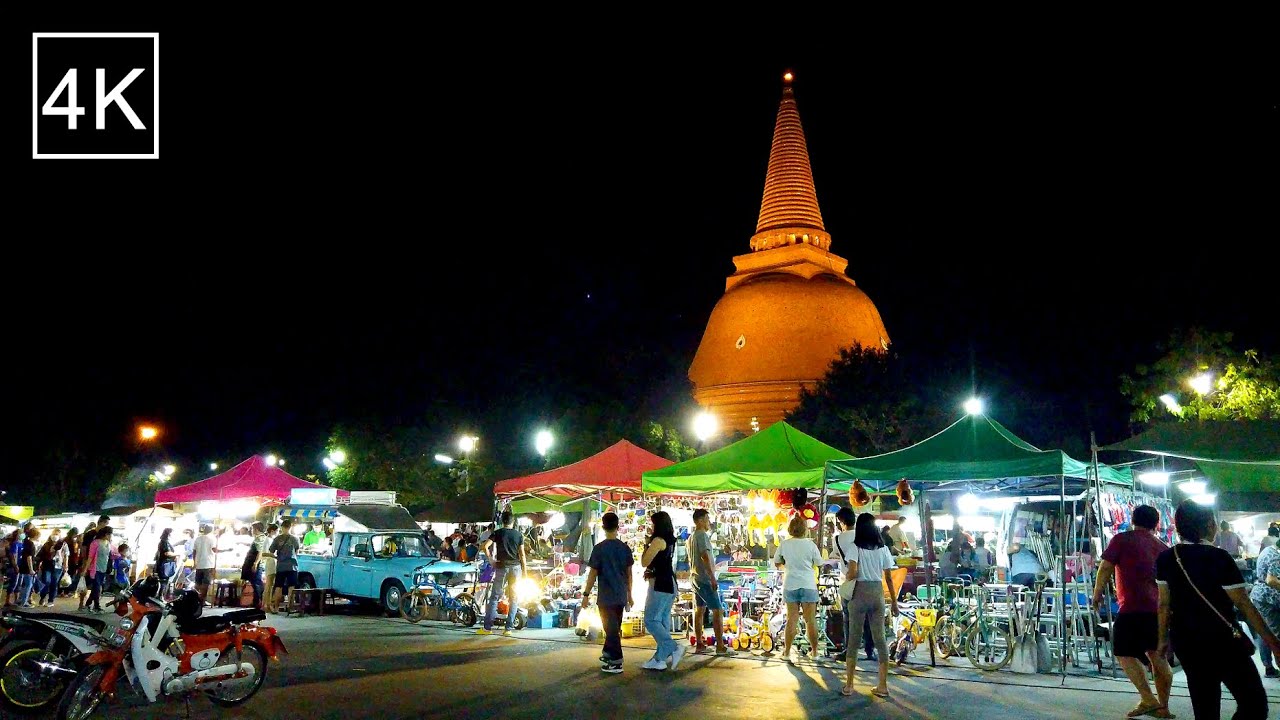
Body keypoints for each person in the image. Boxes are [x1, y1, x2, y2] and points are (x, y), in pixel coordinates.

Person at [1156, 499, 1280, 719]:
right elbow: (1244, 604)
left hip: (1185, 640)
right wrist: (1273, 643)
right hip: (1222, 640)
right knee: (1254, 702)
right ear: (1209, 525)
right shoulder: (1219, 557)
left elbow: (1164, 605)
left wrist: (1162, 641)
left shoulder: (1166, 558)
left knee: (1205, 705)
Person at [1092, 505, 1174, 719]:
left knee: (1123, 652)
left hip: (1131, 607)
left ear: (1132, 519)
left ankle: (1148, 699)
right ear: (1157, 524)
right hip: (1158, 609)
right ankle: (1162, 707)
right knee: (1158, 656)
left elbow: (1106, 567)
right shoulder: (1163, 547)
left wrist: (1098, 592)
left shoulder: (1121, 539)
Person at [839, 512, 898, 699]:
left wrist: (846, 578)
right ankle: (882, 686)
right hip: (877, 594)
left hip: (859, 594)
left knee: (854, 640)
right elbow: (888, 577)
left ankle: (849, 686)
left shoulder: (855, 548)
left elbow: (853, 572)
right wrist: (894, 602)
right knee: (880, 639)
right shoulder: (883, 549)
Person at [582, 511, 634, 674]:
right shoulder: (624, 548)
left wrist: (586, 594)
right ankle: (608, 654)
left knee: (610, 629)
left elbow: (592, 574)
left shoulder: (599, 549)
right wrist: (630, 594)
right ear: (618, 527)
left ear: (603, 527)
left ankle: (616, 661)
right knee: (614, 628)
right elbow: (629, 574)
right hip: (620, 595)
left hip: (605, 596)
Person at [640, 511, 683, 671]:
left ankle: (674, 647)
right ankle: (660, 658)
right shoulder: (671, 540)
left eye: (653, 524)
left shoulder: (658, 541)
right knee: (662, 620)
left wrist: (646, 545)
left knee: (651, 620)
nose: (651, 527)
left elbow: (645, 562)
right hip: (669, 582)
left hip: (660, 584)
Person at [776, 516, 823, 664]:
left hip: (790, 584)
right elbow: (819, 563)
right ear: (805, 528)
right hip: (808, 584)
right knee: (810, 620)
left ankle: (787, 652)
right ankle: (815, 652)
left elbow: (777, 562)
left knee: (791, 619)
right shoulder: (811, 545)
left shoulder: (784, 544)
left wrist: (787, 567)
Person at [688, 509, 734, 656]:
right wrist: (712, 577)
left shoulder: (691, 537)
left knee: (699, 610)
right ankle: (720, 646)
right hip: (704, 579)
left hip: (695, 577)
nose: (709, 522)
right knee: (717, 610)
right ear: (700, 521)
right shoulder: (701, 535)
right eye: (707, 519)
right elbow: (704, 556)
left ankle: (700, 644)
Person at [480, 511, 526, 636]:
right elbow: (522, 554)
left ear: (502, 521)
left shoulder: (498, 533)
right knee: (514, 598)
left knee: (494, 597)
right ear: (513, 521)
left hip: (501, 567)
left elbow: (485, 546)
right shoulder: (518, 535)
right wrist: (525, 571)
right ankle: (508, 629)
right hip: (516, 568)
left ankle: (487, 628)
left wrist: (491, 560)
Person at [1250, 534, 1280, 678]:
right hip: (1268, 599)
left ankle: (1268, 667)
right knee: (1276, 634)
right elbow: (1272, 580)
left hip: (1260, 597)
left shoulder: (1268, 550)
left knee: (1265, 632)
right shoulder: (1275, 556)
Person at [268, 519, 302, 613]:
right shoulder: (295, 539)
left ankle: (276, 608)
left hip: (281, 566)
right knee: (291, 586)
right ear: (290, 527)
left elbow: (271, 551)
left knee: (278, 586)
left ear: (282, 527)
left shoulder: (277, 539)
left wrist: (277, 557)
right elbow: (297, 552)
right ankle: (290, 607)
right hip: (292, 566)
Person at [193, 524, 230, 604]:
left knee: (198, 584)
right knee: (205, 584)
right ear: (211, 530)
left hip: (199, 564)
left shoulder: (197, 538)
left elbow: (194, 551)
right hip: (208, 564)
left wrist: (194, 562)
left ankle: (196, 599)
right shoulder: (212, 538)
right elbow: (214, 550)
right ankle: (202, 600)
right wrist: (226, 550)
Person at [84, 526, 115, 613]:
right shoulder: (95, 543)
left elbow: (113, 554)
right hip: (95, 569)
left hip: (103, 569)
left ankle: (88, 604)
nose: (110, 536)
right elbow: (90, 557)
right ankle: (96, 606)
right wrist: (85, 569)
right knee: (97, 587)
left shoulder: (108, 544)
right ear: (106, 534)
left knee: (96, 588)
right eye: (110, 534)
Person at [15, 526, 40, 607]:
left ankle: (20, 600)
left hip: (23, 566)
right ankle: (24, 602)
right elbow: (29, 557)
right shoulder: (31, 544)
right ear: (35, 535)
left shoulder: (26, 542)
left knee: (24, 585)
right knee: (28, 585)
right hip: (28, 568)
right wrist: (31, 569)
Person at [242, 522, 266, 609]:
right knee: (255, 582)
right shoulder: (261, 538)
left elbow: (260, 552)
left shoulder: (259, 539)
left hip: (256, 563)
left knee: (256, 583)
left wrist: (255, 563)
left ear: (256, 529)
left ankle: (258, 602)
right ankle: (257, 601)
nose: (251, 531)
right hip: (257, 563)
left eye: (252, 529)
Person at [260, 524, 280, 613]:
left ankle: (267, 604)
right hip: (270, 563)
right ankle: (265, 605)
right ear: (272, 531)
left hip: (273, 563)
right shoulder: (267, 540)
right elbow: (263, 553)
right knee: (269, 585)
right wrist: (274, 556)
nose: (278, 533)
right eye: (277, 531)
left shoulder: (271, 540)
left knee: (270, 585)